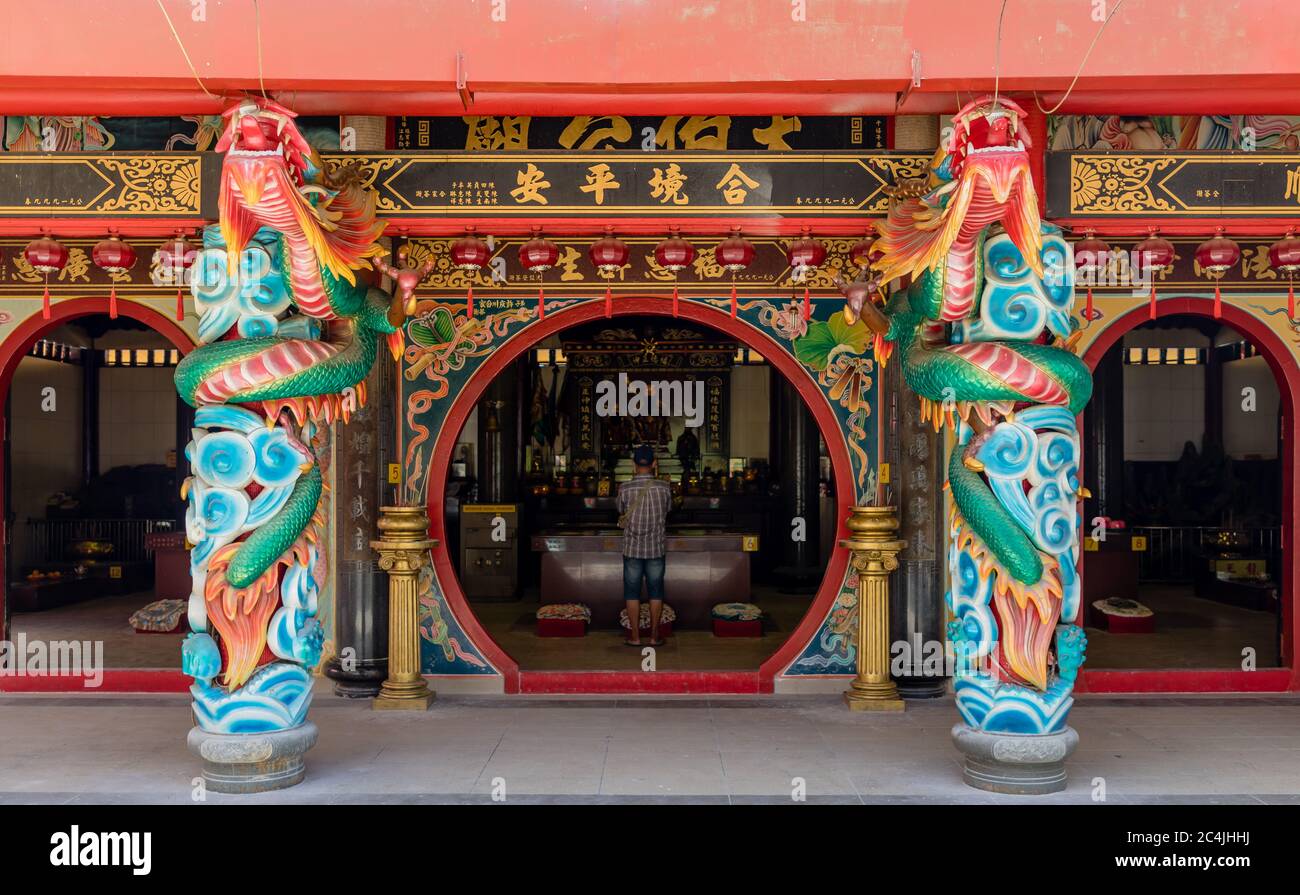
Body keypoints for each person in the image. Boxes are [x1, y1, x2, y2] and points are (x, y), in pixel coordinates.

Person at [616, 444, 673, 646]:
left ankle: (635, 637)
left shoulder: (624, 488)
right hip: (656, 548)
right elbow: (668, 510)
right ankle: (655, 636)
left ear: (633, 464)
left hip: (632, 548)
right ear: (654, 464)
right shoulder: (664, 488)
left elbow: (619, 510)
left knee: (632, 593)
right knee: (656, 591)